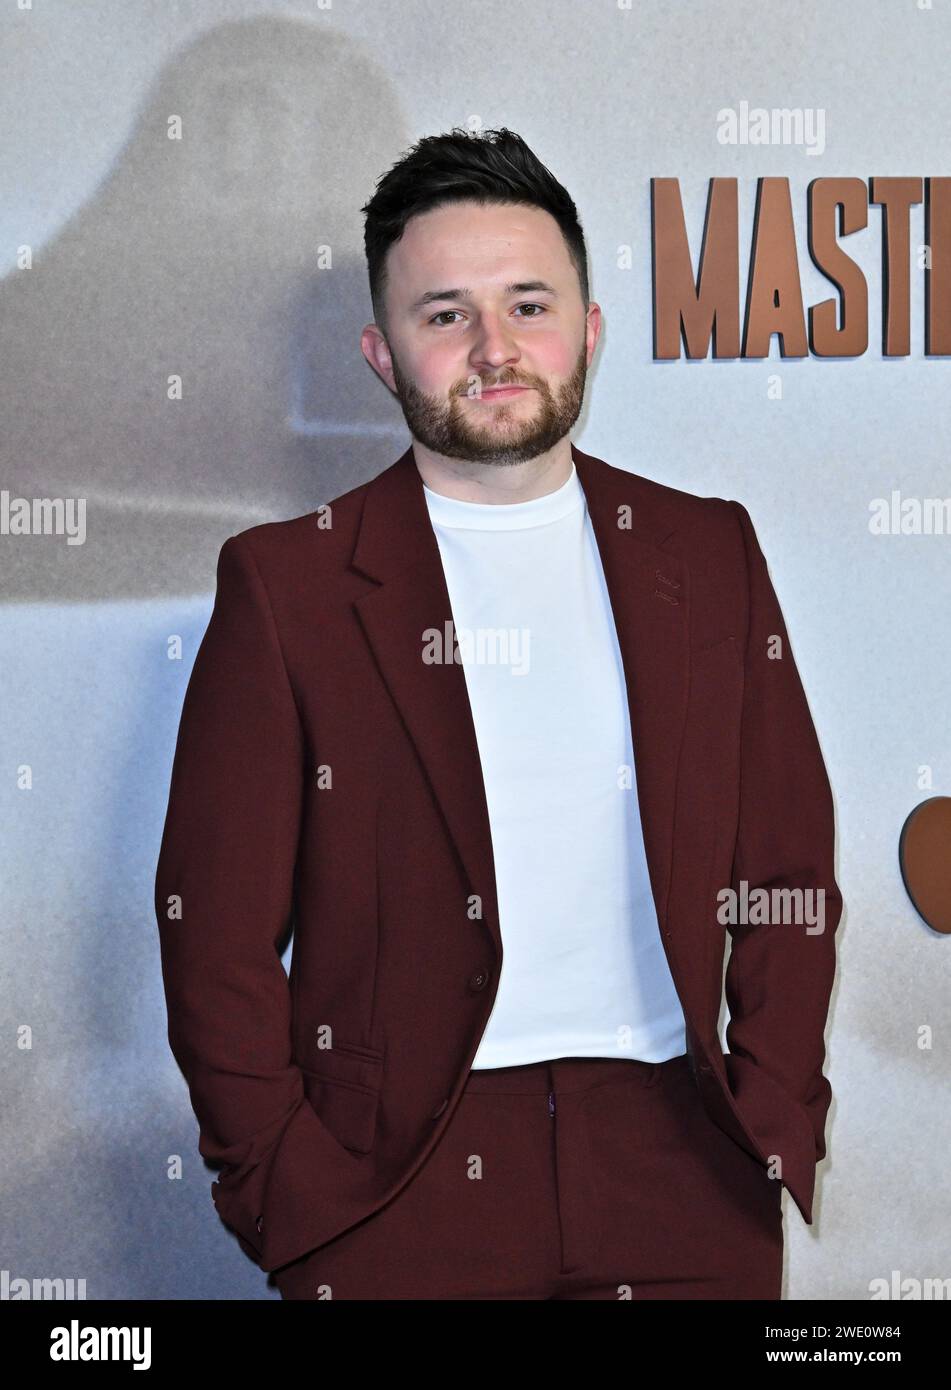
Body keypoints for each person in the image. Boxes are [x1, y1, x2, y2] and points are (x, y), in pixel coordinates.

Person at [155, 127, 842, 1300]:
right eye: (444, 315)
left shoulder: (707, 550)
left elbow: (787, 861)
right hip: (395, 1186)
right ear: (382, 353)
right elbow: (213, 933)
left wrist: (770, 1110)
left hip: (679, 1163)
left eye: (529, 304)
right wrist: (286, 1186)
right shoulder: (289, 584)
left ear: (591, 326)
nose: (493, 348)